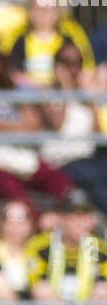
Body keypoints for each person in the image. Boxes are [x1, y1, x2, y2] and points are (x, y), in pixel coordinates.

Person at [0, 39, 73, 219]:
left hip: (18, 155)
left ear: (3, 61)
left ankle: (72, 225)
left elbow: (33, 127)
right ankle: (42, 225)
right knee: (12, 190)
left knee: (60, 182)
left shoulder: (14, 89)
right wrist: (14, 127)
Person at [38, 41, 107, 214]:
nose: (73, 68)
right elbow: (57, 125)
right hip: (63, 159)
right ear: (57, 65)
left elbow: (96, 133)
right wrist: (66, 89)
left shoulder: (83, 97)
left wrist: (89, 98)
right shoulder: (47, 93)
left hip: (87, 157)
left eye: (78, 63)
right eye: (67, 62)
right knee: (92, 179)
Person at [0, 200, 34, 298]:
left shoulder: (37, 249)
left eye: (22, 218)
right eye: (10, 217)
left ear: (30, 223)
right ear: (0, 222)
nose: (16, 224)